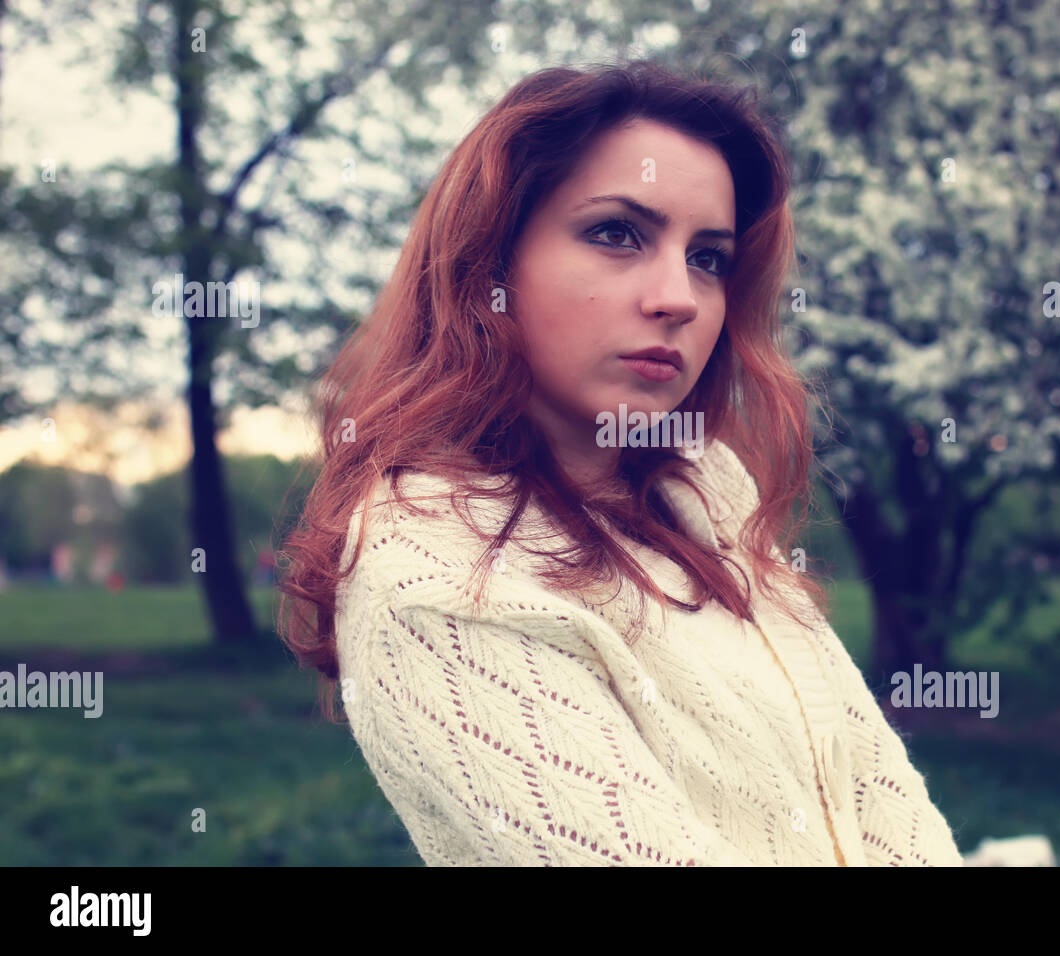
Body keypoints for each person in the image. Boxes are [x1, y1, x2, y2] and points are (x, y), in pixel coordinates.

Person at [277, 58, 964, 867]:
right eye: (616, 234)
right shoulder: (432, 571)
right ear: (487, 263)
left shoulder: (702, 490)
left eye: (708, 256)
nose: (678, 295)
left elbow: (876, 788)